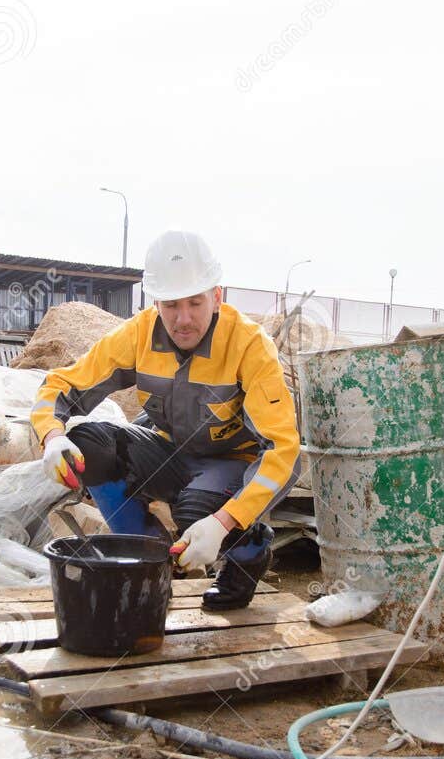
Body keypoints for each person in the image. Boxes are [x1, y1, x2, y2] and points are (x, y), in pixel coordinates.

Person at [31, 230, 301, 610]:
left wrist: (225, 521)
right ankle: (150, 558)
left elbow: (283, 450)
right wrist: (52, 436)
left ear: (217, 297)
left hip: (229, 463)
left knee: (196, 514)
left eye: (195, 303)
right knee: (89, 445)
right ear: (156, 301)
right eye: (172, 305)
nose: (184, 319)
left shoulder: (250, 346)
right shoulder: (138, 334)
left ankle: (249, 552)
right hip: (170, 450)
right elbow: (60, 384)